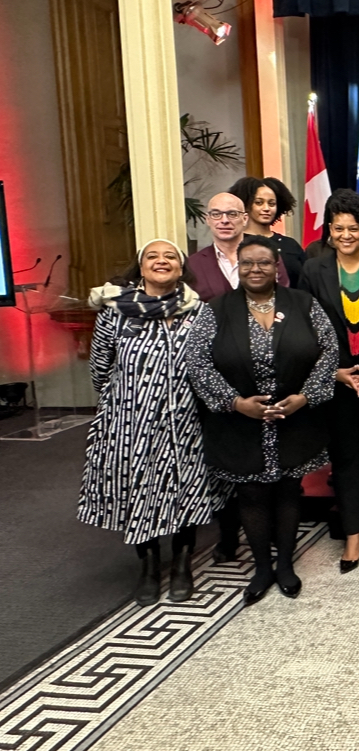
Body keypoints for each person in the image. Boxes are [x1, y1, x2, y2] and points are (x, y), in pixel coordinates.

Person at [189, 235, 338, 605]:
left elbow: (329, 351)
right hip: (238, 423)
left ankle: (285, 565)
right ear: (238, 268)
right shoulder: (216, 310)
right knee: (251, 495)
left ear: (277, 267)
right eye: (248, 263)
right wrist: (236, 403)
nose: (256, 270)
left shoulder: (303, 304)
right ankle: (261, 569)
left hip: (295, 419)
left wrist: (305, 397)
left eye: (264, 263)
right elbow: (197, 362)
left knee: (289, 491)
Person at [80, 239, 219, 606]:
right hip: (129, 421)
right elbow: (99, 368)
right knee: (139, 492)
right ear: (140, 268)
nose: (161, 261)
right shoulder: (115, 311)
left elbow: (209, 364)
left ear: (181, 267)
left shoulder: (198, 312)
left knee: (186, 492)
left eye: (170, 256)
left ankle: (183, 564)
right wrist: (123, 400)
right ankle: (149, 564)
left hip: (186, 420)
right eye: (152, 256)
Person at [299, 190, 359, 573]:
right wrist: (332, 370)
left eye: (353, 228)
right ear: (330, 230)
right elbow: (305, 330)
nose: (346, 235)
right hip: (333, 379)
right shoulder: (313, 270)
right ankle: (352, 532)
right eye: (339, 228)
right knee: (344, 455)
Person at [188, 191, 289, 301]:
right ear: (208, 219)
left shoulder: (268, 256)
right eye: (216, 214)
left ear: (245, 219)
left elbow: (283, 298)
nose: (224, 221)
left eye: (232, 214)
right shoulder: (193, 264)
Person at [228, 176, 306, 288]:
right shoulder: (235, 244)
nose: (266, 208)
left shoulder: (290, 245)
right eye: (259, 203)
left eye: (272, 203)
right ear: (246, 205)